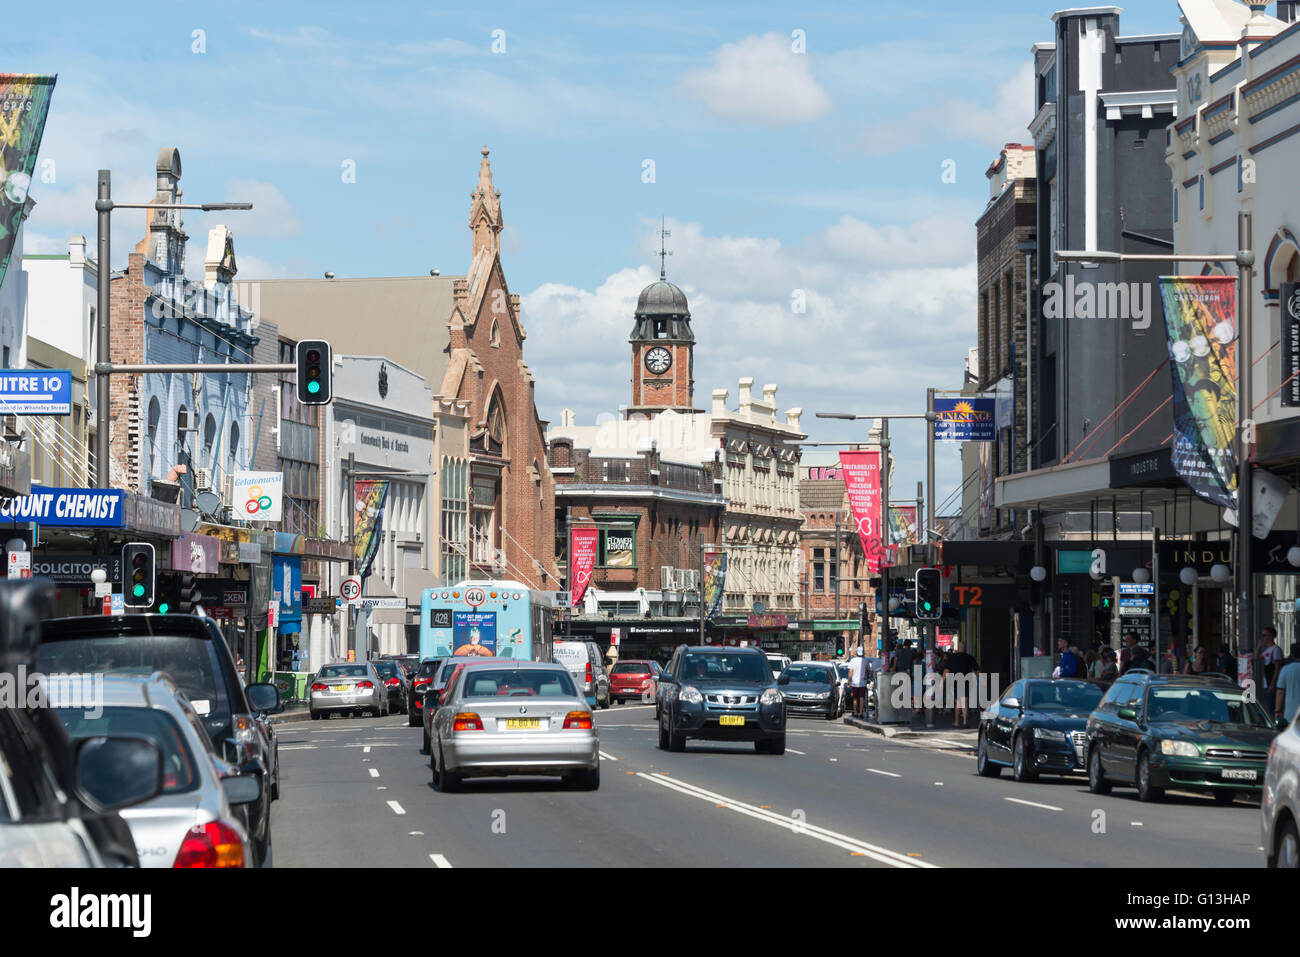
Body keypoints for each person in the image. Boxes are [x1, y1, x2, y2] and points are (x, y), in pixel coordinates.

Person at [944, 643, 979, 729]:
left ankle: (956, 722)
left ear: (958, 648)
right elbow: (977, 670)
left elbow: (946, 670)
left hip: (955, 682)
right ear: (965, 648)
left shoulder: (952, 657)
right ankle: (965, 721)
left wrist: (942, 682)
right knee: (965, 702)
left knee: (958, 703)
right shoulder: (969, 657)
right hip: (967, 682)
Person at [1259, 627, 1285, 715]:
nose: (1262, 638)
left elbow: (1277, 667)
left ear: (1271, 636)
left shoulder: (1276, 649)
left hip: (1271, 682)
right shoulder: (1267, 650)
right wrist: (1259, 646)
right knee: (1268, 705)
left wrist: (1272, 684)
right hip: (1266, 682)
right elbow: (1255, 657)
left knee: (1271, 706)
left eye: (1264, 635)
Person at [1276, 647, 1300, 726]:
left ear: (1292, 655)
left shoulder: (1286, 669)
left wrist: (1278, 710)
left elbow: (1280, 692)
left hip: (1291, 713)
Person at [848, 645, 870, 718]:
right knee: (861, 697)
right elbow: (868, 670)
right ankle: (860, 712)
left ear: (857, 653)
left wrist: (848, 681)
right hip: (863, 682)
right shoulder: (866, 661)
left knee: (855, 698)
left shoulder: (853, 661)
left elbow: (850, 672)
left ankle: (855, 712)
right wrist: (867, 677)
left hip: (854, 682)